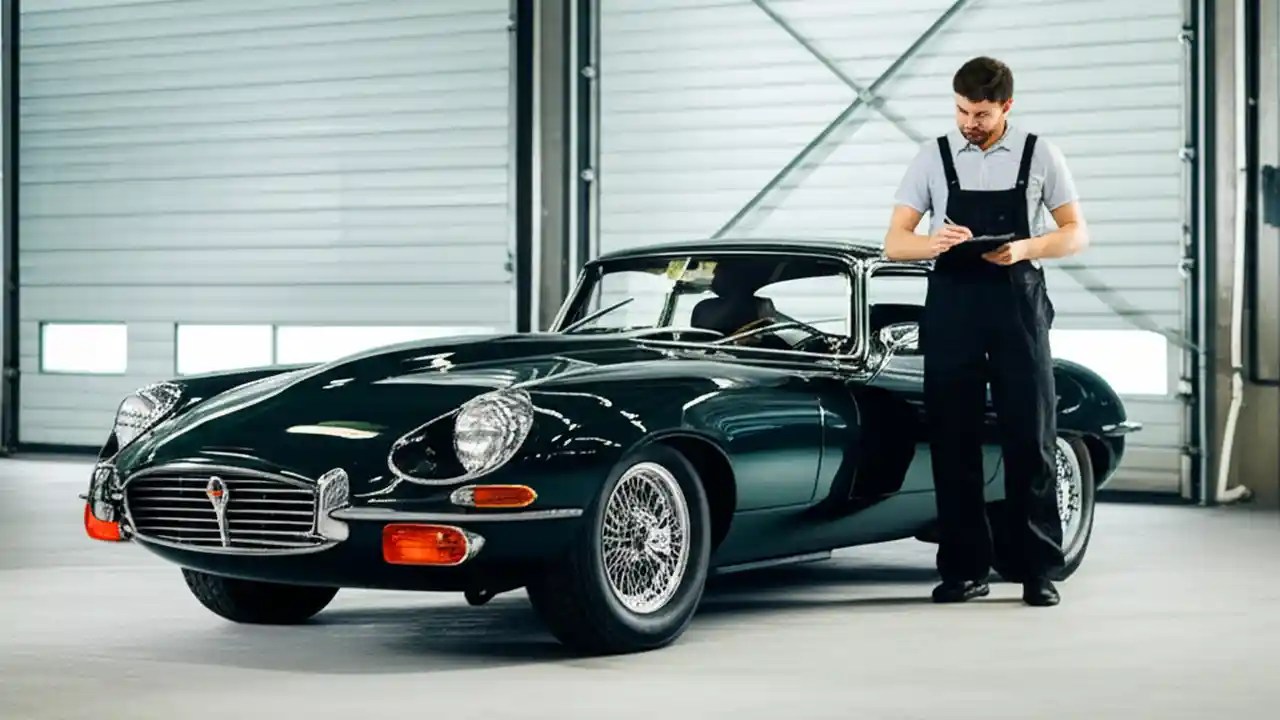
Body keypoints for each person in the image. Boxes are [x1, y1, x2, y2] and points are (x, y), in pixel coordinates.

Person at [882, 56, 1090, 607]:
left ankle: (1037, 570)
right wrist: (933, 243)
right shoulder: (933, 156)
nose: (968, 123)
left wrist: (1025, 247)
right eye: (961, 111)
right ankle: (964, 570)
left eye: (980, 113)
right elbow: (895, 242)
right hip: (953, 309)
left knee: (1031, 437)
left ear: (1006, 106)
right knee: (953, 441)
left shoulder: (1039, 154)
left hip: (1018, 306)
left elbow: (1075, 233)